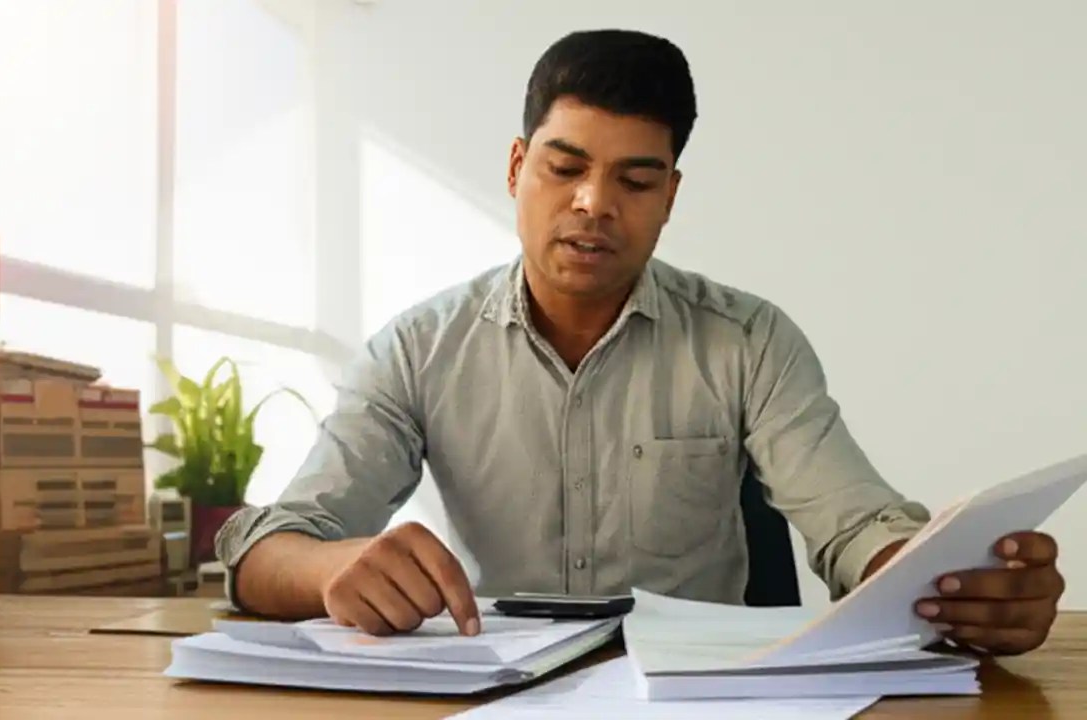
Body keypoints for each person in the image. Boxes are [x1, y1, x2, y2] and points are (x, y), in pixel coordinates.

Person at [216, 29, 1064, 656]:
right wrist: (331, 568)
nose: (593, 203)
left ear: (670, 197)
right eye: (564, 168)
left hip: (701, 696)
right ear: (516, 169)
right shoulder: (417, 349)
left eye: (634, 179)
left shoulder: (748, 342)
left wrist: (955, 587)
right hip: (492, 689)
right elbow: (266, 549)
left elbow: (857, 529)